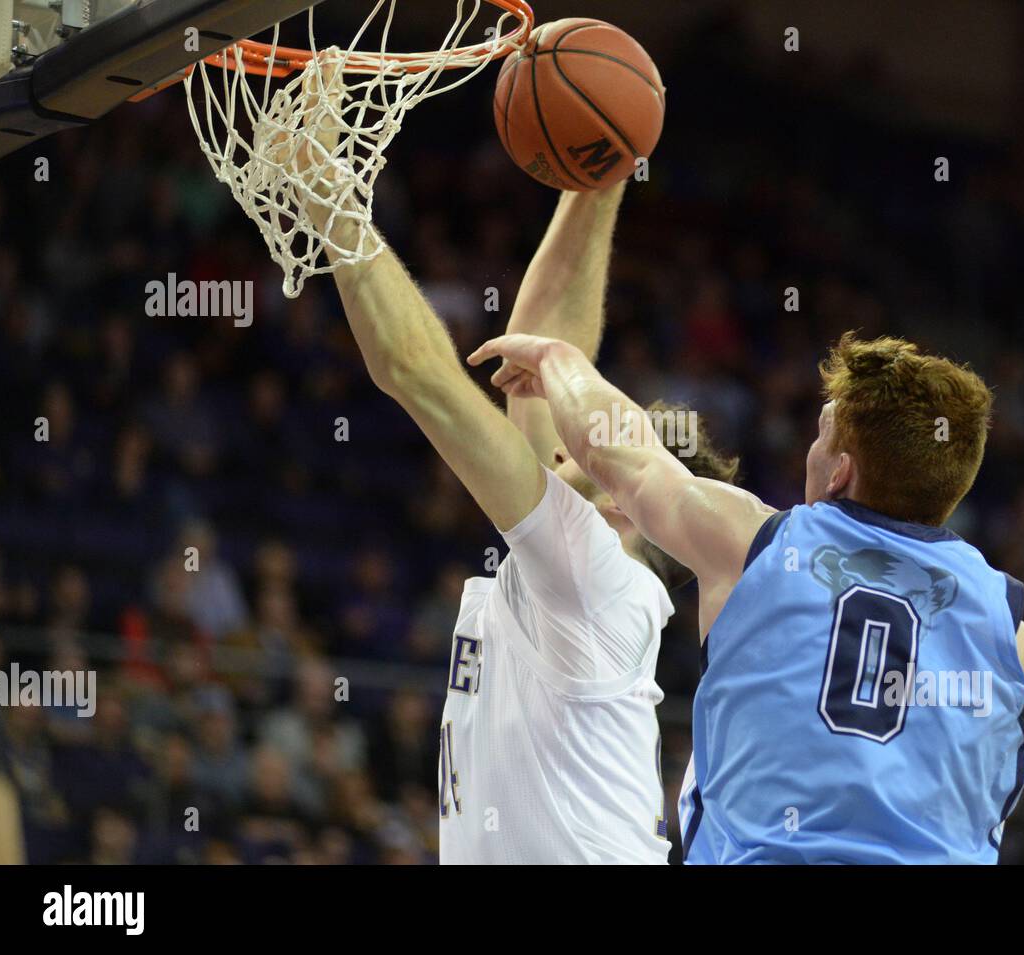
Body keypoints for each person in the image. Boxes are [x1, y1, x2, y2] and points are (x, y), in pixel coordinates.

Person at [467, 330, 1024, 864]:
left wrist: (558, 359)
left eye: (820, 437)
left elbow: (614, 449)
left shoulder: (752, 546)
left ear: (840, 471)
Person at [300, 98, 736, 861]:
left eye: (594, 442)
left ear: (621, 499)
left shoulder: (590, 572)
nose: (565, 434)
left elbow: (416, 373)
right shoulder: (591, 563)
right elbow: (543, 342)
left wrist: (329, 195)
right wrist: (607, 160)